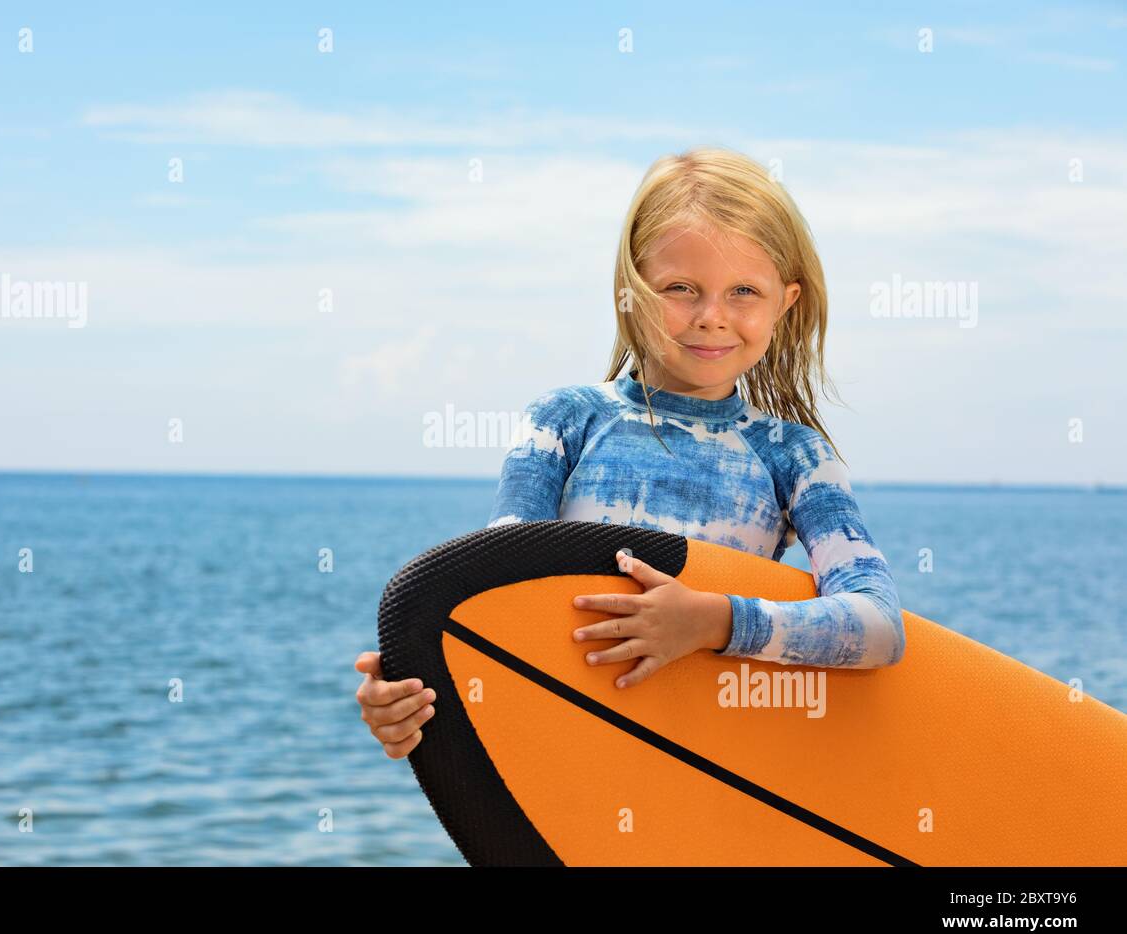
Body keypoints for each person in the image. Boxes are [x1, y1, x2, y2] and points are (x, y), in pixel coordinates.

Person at [356, 146, 906, 760]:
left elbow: (880, 625)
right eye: (681, 288)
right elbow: (502, 593)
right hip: (569, 757)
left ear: (786, 302)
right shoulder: (564, 423)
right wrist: (413, 685)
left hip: (708, 772)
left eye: (744, 291)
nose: (711, 317)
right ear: (630, 291)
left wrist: (716, 621)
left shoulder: (793, 455)